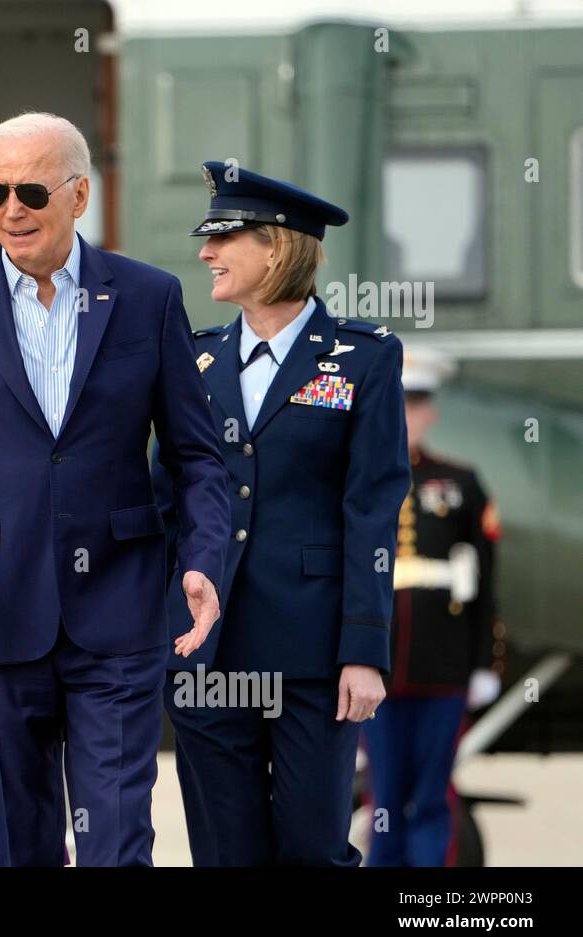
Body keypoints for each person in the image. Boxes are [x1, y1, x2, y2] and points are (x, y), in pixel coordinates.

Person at [0, 113, 230, 867]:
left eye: (31, 189)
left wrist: (202, 559)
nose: (10, 209)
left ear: (79, 194)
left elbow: (198, 458)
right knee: (20, 846)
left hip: (122, 613)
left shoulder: (148, 296)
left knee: (117, 840)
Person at [154, 161, 410, 866]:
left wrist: (364, 650)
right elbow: (165, 503)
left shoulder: (365, 359)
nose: (204, 252)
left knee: (311, 850)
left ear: (276, 245)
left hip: (314, 654)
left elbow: (372, 512)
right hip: (208, 651)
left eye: (223, 238)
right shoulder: (195, 361)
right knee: (225, 853)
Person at [363, 346, 503, 867]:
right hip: (373, 666)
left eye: (416, 403)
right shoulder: (362, 482)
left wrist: (485, 663)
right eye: (398, 403)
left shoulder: (461, 484)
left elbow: (483, 586)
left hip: (443, 667)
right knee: (384, 795)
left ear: (431, 412)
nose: (407, 416)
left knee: (430, 795)